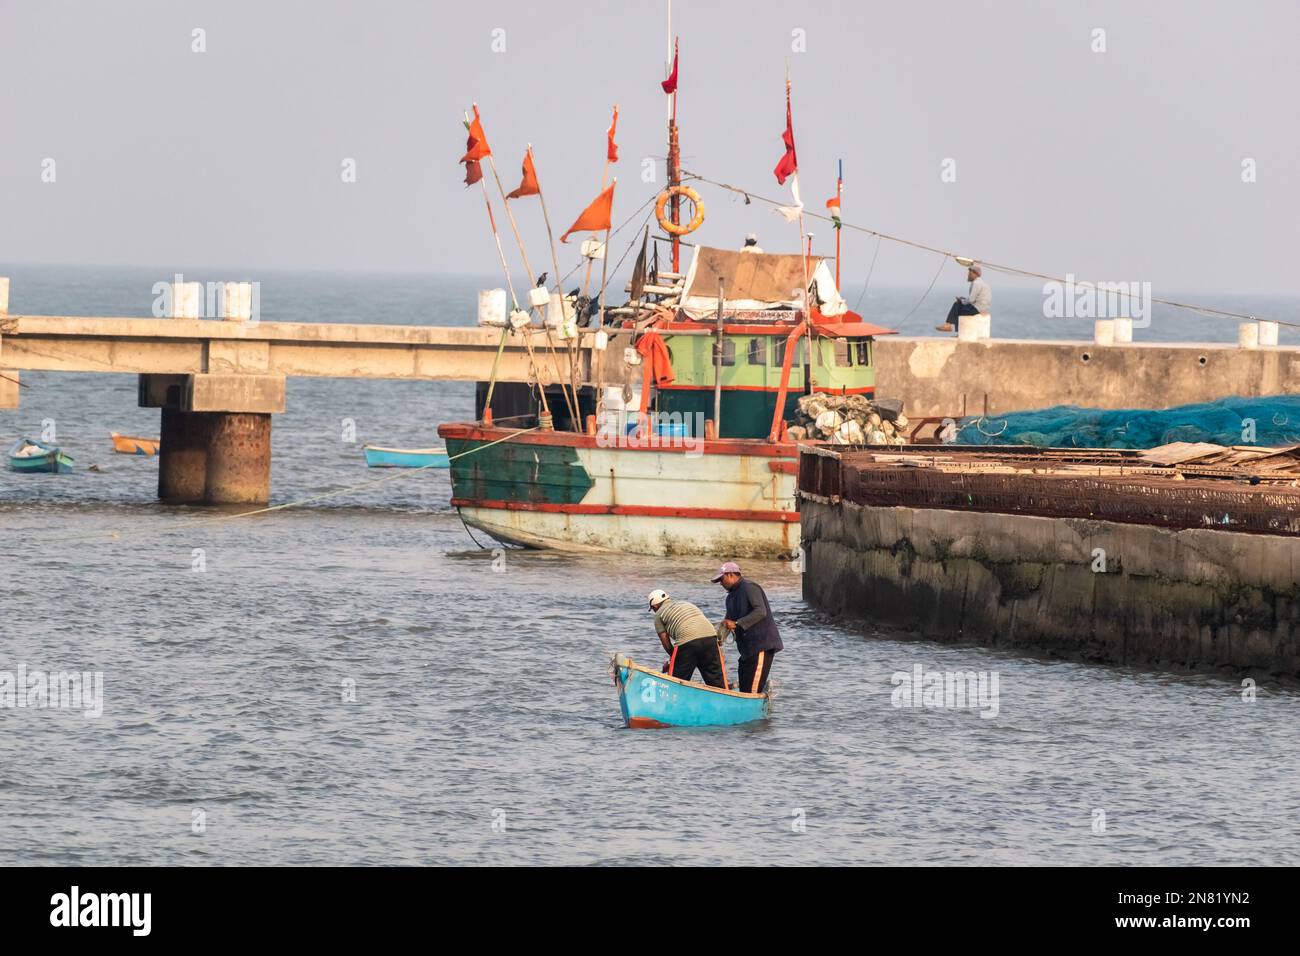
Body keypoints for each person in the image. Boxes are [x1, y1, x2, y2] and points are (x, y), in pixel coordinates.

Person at [711, 562, 783, 693]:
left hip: (761, 646)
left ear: (731, 575)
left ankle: (756, 708)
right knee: (745, 690)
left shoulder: (749, 587)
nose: (720, 583)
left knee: (752, 692)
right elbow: (728, 623)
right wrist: (719, 639)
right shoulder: (730, 598)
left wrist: (737, 624)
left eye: (721, 579)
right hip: (746, 651)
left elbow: (761, 611)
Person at [648, 589, 727, 688]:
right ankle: (722, 697)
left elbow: (666, 644)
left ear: (654, 606)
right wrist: (673, 661)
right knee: (716, 681)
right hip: (710, 638)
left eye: (653, 609)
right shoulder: (686, 604)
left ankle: (675, 700)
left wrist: (673, 661)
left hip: (687, 642)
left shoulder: (658, 614)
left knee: (676, 682)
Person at [936, 261, 992, 333]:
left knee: (957, 305)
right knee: (959, 307)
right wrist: (964, 300)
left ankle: (948, 325)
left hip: (977, 308)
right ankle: (953, 328)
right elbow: (974, 299)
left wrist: (961, 301)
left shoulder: (976, 283)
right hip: (982, 308)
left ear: (975, 274)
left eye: (969, 273)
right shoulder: (983, 283)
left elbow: (971, 300)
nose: (968, 275)